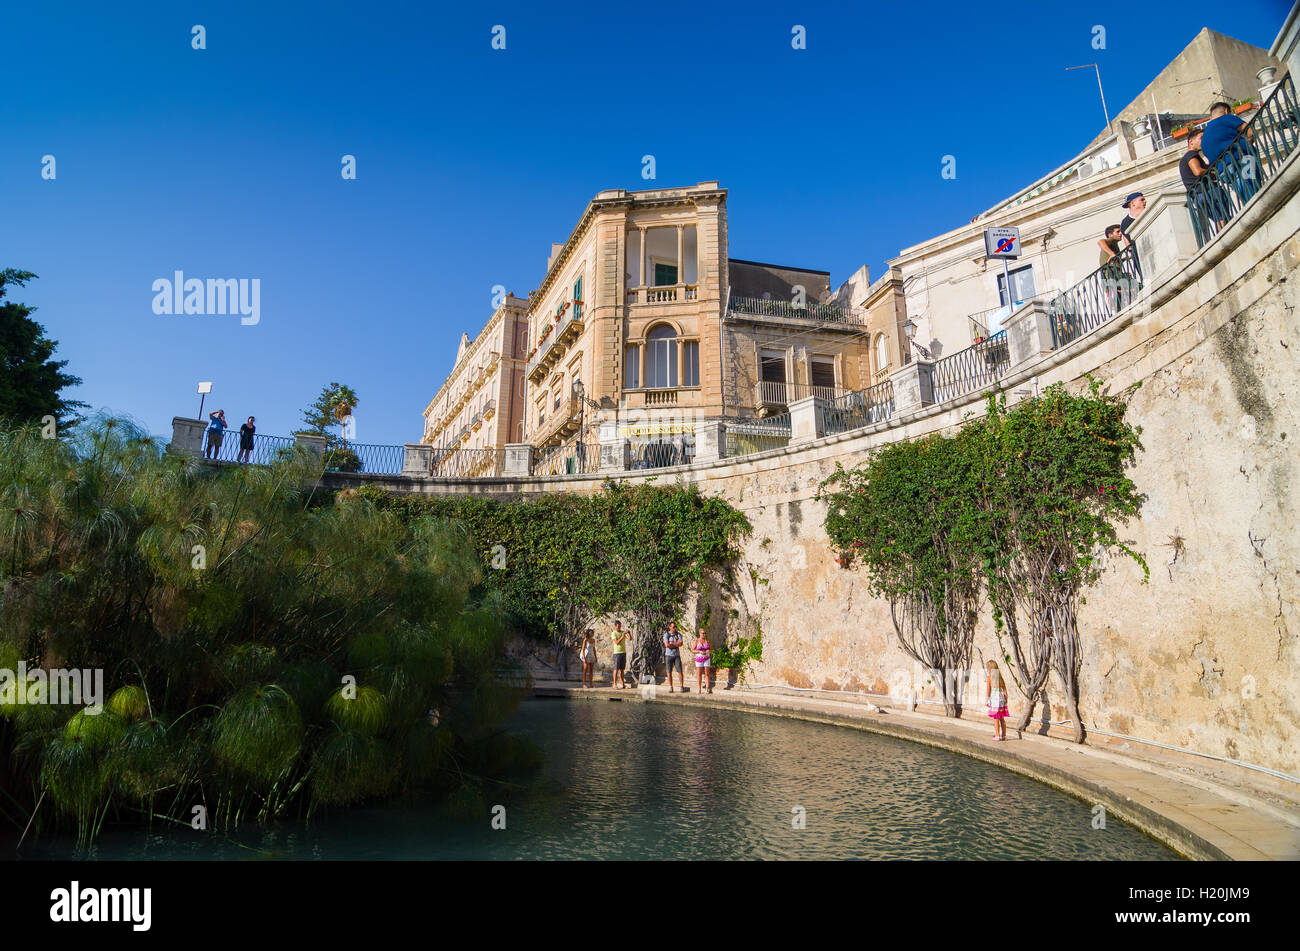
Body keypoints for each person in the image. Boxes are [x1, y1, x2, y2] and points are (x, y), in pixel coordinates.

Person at [1201, 101, 1259, 205]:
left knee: (1246, 196)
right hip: (1241, 160)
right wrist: (1249, 145)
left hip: (1222, 171)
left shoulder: (1204, 135)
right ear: (1227, 111)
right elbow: (1249, 132)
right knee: (1254, 192)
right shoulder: (1227, 118)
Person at [1179, 129, 1231, 238]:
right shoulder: (1191, 155)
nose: (1204, 140)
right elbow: (1197, 171)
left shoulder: (1185, 159)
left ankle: (1223, 238)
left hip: (1198, 196)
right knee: (1222, 217)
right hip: (1208, 191)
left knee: (1219, 218)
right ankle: (1226, 238)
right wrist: (1214, 172)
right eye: (1201, 138)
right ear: (1191, 142)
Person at [986, 660, 1009, 740]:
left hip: (995, 700)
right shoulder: (1000, 677)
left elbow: (988, 690)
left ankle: (997, 735)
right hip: (1001, 700)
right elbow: (1004, 688)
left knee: (996, 719)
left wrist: (987, 700)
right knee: (1002, 718)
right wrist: (1006, 698)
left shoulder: (989, 678)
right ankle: (1004, 735)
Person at [662, 621, 684, 693]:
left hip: (676, 655)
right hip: (668, 655)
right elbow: (667, 645)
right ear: (670, 627)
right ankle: (671, 687)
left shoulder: (678, 635)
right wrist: (676, 644)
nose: (675, 628)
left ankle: (681, 686)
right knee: (669, 671)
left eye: (675, 627)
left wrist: (672, 644)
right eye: (673, 627)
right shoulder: (666, 635)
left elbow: (681, 644)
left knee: (680, 671)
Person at [692, 625, 713, 694]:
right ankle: (699, 688)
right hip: (699, 659)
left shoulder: (708, 641)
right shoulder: (697, 641)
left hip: (706, 658)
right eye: (702, 633)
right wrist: (699, 651)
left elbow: (711, 650)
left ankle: (707, 688)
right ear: (700, 633)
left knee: (707, 673)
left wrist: (708, 651)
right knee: (699, 674)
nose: (704, 634)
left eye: (705, 633)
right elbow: (692, 650)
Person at [611, 620, 629, 689]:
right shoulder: (614, 633)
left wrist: (629, 633)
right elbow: (616, 642)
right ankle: (614, 684)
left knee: (622, 669)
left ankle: (623, 684)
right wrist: (622, 636)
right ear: (615, 626)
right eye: (618, 626)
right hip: (617, 653)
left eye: (620, 626)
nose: (619, 627)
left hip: (623, 653)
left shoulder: (622, 632)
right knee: (616, 669)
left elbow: (630, 639)